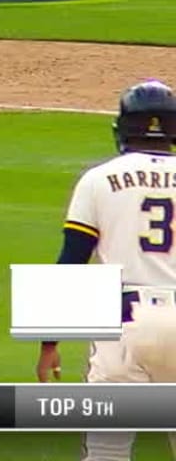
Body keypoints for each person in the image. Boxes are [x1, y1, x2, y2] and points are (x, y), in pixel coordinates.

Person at [38, 80, 176, 461]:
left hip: (122, 325)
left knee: (107, 451)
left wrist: (49, 343)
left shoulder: (98, 179)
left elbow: (72, 263)